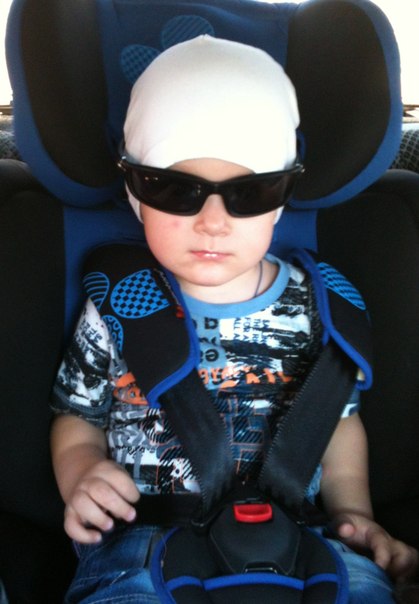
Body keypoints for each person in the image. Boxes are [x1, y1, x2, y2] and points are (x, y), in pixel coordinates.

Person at [50, 35, 417, 603]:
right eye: (175, 190)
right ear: (135, 190)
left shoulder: (322, 304)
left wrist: (354, 515)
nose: (213, 222)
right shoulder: (118, 304)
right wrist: (82, 473)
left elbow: (339, 422)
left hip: (301, 539)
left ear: (283, 195)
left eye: (251, 192)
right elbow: (78, 415)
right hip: (145, 539)